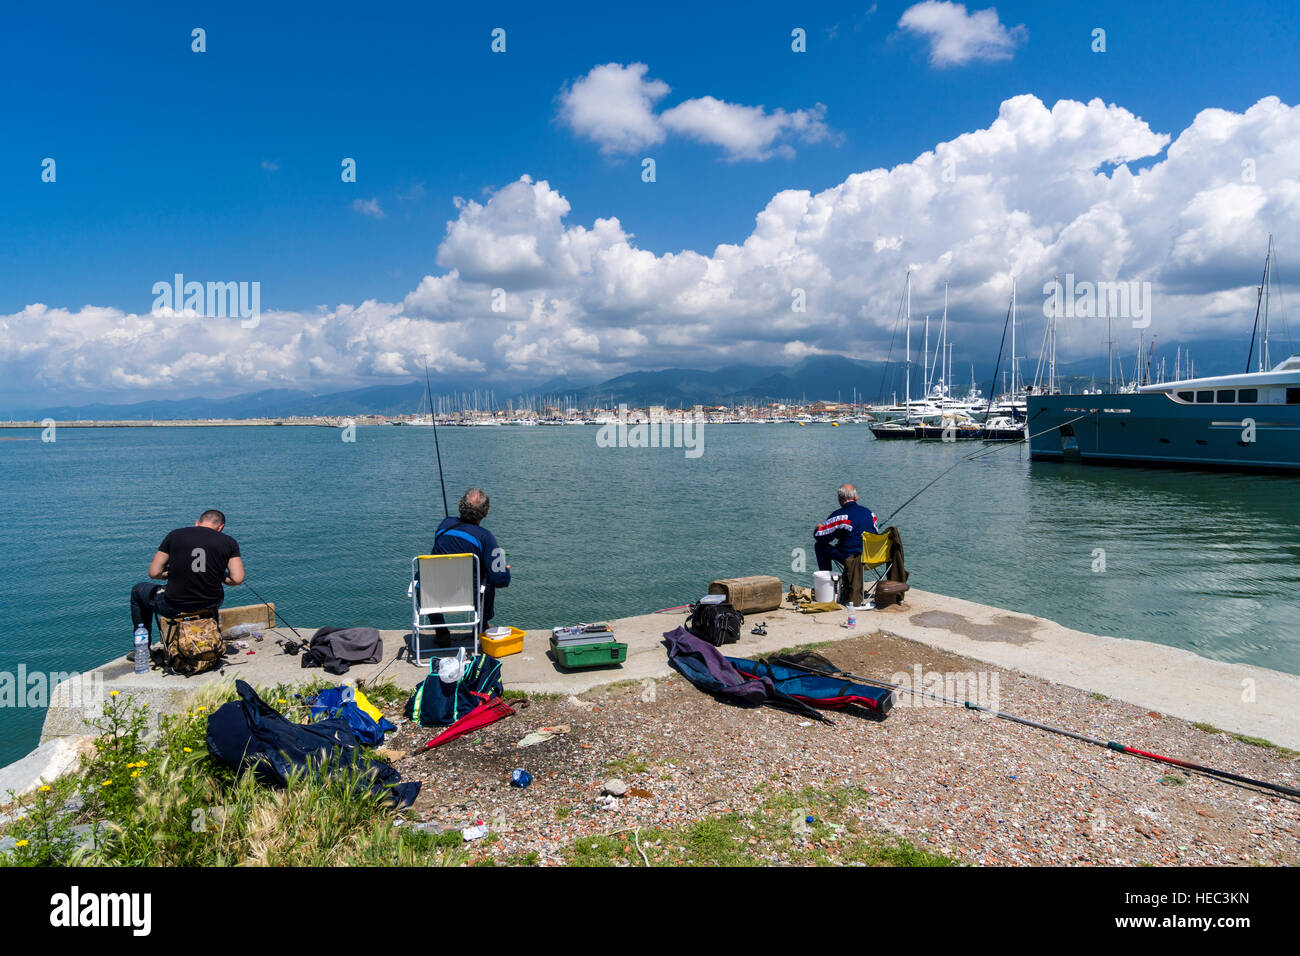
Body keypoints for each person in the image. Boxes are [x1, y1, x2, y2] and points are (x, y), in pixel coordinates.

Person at [130, 509, 244, 648]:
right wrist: (219, 575)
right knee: (209, 596)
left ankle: (142, 649)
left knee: (137, 591)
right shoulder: (229, 542)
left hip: (174, 606)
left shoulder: (174, 535)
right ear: (221, 527)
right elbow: (237, 579)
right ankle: (209, 636)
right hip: (210, 604)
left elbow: (154, 573)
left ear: (197, 523)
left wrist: (170, 573)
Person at [431, 487, 511, 638]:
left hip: (435, 595)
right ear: (486, 512)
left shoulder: (443, 525)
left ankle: (441, 632)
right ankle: (481, 626)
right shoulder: (486, 537)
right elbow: (500, 580)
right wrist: (505, 570)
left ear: (460, 505)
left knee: (423, 577)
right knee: (487, 578)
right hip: (468, 596)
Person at [813, 483, 879, 573]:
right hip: (872, 558)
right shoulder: (871, 514)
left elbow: (821, 537)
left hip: (851, 559)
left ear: (839, 498)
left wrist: (819, 528)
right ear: (856, 497)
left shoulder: (839, 516)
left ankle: (828, 582)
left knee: (820, 546)